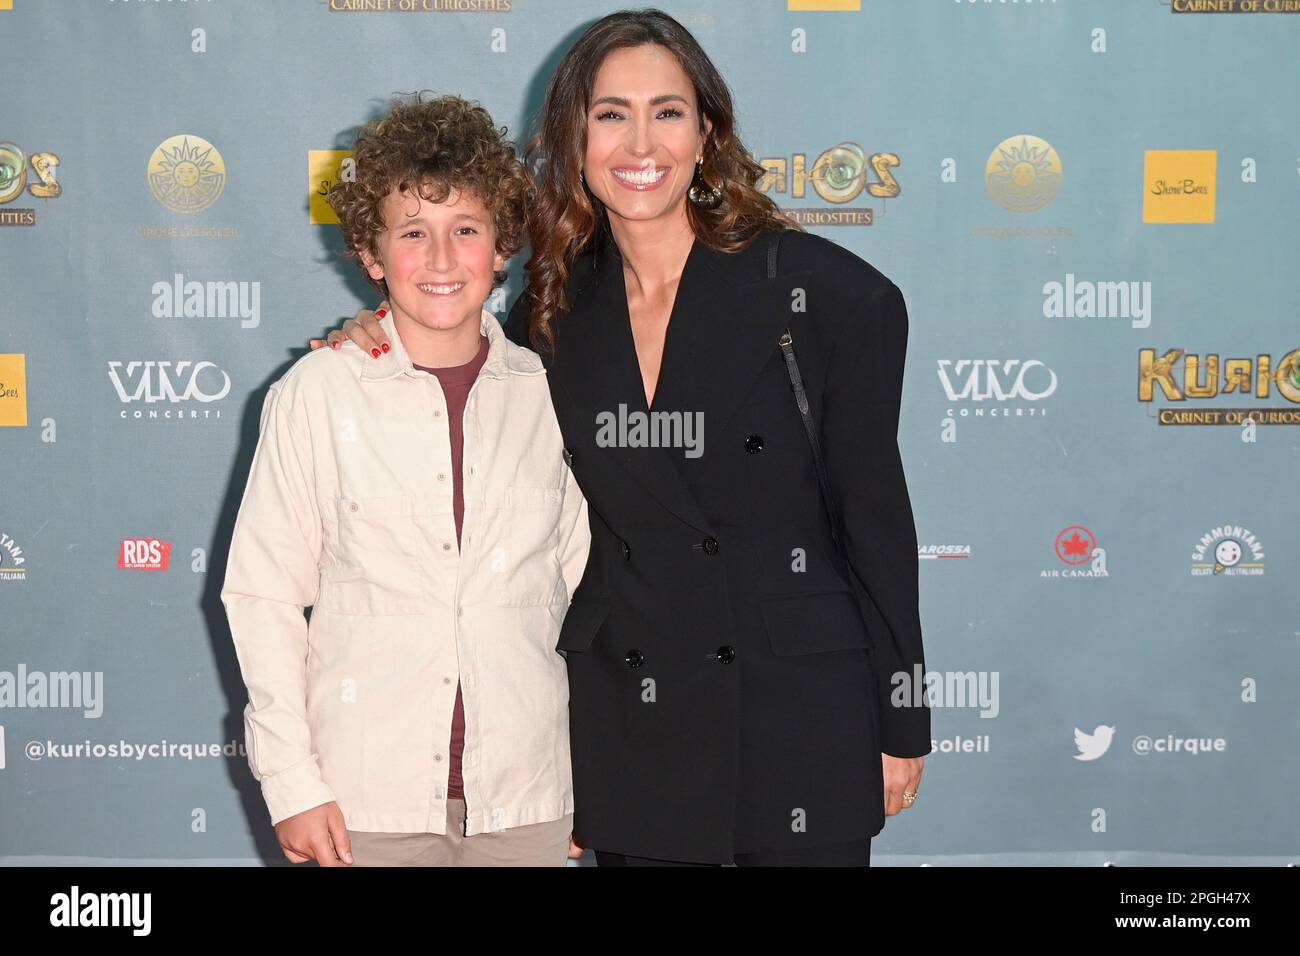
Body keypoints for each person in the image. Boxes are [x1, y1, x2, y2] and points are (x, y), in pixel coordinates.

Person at [316, 9, 930, 867]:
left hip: (799, 711)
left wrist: (899, 716)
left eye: (668, 112)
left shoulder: (827, 296)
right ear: (574, 136)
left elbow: (876, 522)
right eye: (610, 114)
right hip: (632, 720)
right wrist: (369, 333)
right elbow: (452, 354)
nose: (640, 142)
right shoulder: (553, 308)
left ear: (707, 134)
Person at [223, 93, 590, 866]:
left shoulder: (551, 394)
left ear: (503, 247)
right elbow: (263, 596)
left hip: (525, 804)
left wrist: (591, 777)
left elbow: (582, 594)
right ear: (371, 253)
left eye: (466, 230)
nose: (443, 259)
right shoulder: (315, 396)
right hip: (364, 806)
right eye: (413, 234)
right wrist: (292, 783)